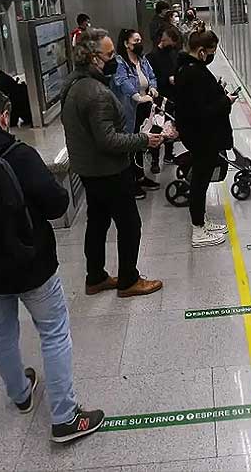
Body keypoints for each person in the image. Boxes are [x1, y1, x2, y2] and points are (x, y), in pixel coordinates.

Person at [0, 88, 104, 443]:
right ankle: (64, 416)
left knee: (0, 332)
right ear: (4, 116)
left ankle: (21, 394)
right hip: (31, 264)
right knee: (53, 333)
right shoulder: (17, 154)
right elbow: (57, 204)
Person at [60, 27, 164, 298]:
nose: (115, 59)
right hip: (108, 170)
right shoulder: (96, 93)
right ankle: (129, 281)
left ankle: (95, 277)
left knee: (97, 222)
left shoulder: (72, 82)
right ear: (94, 58)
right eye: (109, 54)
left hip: (86, 168)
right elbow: (108, 140)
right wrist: (144, 140)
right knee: (129, 224)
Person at [172, 30, 235, 247]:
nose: (212, 55)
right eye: (211, 51)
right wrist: (225, 100)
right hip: (202, 137)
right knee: (200, 181)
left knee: (202, 180)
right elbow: (202, 111)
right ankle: (198, 229)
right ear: (200, 52)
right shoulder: (193, 73)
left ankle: (201, 220)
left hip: (197, 135)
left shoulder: (187, 69)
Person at [110, 28, 161, 194]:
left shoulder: (142, 60)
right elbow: (122, 82)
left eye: (140, 40)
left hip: (144, 108)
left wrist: (153, 88)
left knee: (141, 142)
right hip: (129, 110)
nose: (139, 44)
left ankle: (140, 176)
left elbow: (151, 76)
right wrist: (136, 96)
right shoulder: (120, 63)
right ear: (126, 44)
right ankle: (131, 182)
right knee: (130, 144)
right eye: (135, 41)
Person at [145, 25, 183, 170]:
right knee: (157, 128)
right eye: (171, 41)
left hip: (173, 97)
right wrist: (168, 79)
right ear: (164, 39)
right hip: (159, 98)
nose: (173, 45)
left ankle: (168, 154)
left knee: (170, 127)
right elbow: (151, 79)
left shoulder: (174, 53)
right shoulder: (151, 57)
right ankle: (155, 160)